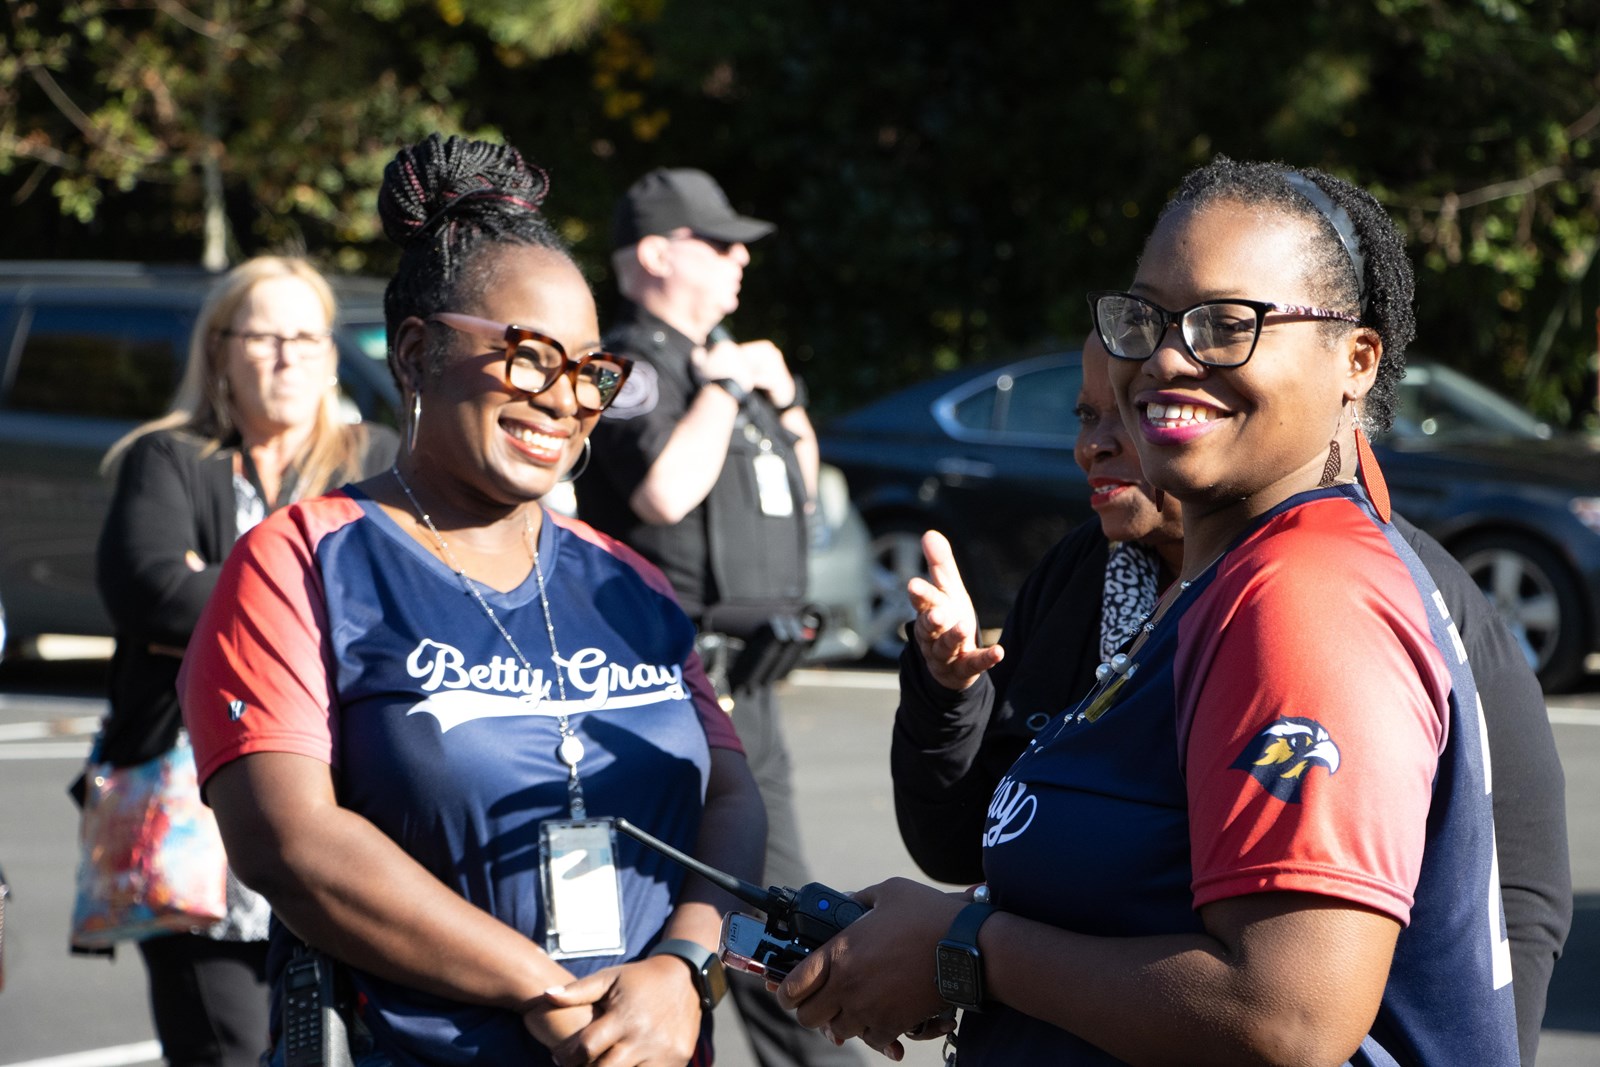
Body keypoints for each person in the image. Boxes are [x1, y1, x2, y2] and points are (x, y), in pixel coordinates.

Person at [774, 158, 1524, 1065]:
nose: (1167, 356)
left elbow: (1286, 1017)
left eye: (1227, 324)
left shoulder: (1306, 595)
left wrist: (964, 950)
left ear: (1355, 360)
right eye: (1148, 318)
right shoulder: (1201, 587)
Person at [177, 133, 766, 1067]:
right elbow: (287, 841)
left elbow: (729, 794)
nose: (566, 400)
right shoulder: (298, 561)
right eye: (530, 357)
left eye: (588, 373)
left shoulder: (630, 581)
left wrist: (681, 968)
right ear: (416, 354)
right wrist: (546, 989)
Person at [893, 332, 1571, 1064]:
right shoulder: (1084, 576)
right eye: (1090, 417)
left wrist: (969, 947)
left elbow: (1507, 903)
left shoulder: (1352, 594)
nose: (1097, 446)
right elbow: (976, 843)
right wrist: (951, 691)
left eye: (1129, 413)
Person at [579, 168, 862, 1067]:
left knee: (769, 920)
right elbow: (662, 491)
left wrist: (776, 395)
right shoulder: (629, 365)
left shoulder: (727, 361)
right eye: (719, 241)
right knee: (751, 922)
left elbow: (807, 489)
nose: (741, 257)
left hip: (750, 687)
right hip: (665, 687)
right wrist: (725, 388)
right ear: (656, 254)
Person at [93, 255, 398, 1067]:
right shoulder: (166, 459)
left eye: (306, 335)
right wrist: (320, 618)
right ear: (221, 350)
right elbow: (148, 591)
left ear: (333, 355)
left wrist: (218, 589)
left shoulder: (381, 465)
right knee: (220, 1049)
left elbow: (408, 609)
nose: (286, 354)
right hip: (190, 823)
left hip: (353, 815)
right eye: (263, 335)